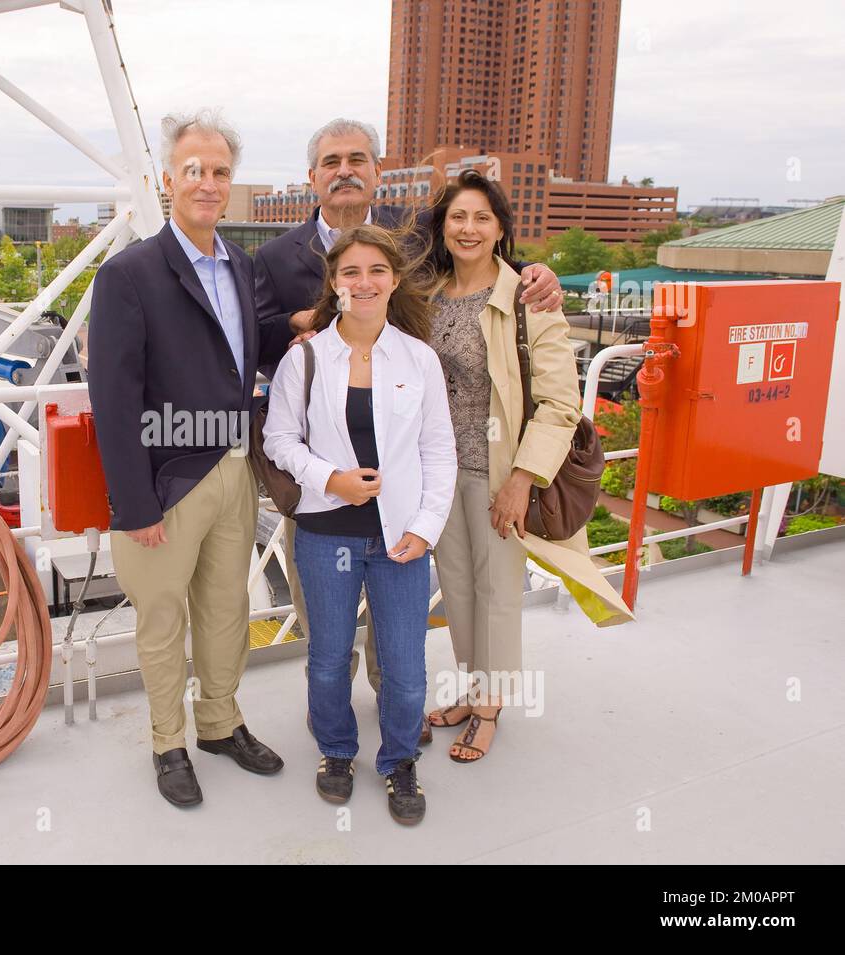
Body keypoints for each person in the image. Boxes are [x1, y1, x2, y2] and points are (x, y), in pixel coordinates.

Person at [254, 118, 562, 727]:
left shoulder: (419, 231)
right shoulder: (272, 256)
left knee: (422, 606)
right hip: (327, 473)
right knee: (330, 615)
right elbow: (261, 345)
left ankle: (403, 706)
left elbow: (483, 245)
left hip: (426, 460)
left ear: (377, 170)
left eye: (359, 159)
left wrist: (536, 273)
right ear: (313, 176)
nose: (346, 170)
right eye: (332, 161)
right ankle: (331, 709)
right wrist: (296, 329)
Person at [87, 110, 299, 808]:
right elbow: (114, 400)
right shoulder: (129, 275)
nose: (207, 183)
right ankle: (167, 740)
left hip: (235, 470)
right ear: (167, 180)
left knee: (224, 609)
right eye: (194, 171)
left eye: (219, 172)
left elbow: (243, 354)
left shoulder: (239, 264)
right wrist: (134, 503)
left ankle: (219, 721)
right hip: (167, 478)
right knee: (161, 618)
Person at [421, 170, 633, 763]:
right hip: (441, 469)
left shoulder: (527, 298)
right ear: (443, 225)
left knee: (497, 592)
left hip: (500, 472)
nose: (468, 228)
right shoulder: (429, 291)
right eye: (458, 217)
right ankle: (472, 688)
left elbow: (562, 401)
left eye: (481, 218)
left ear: (500, 229)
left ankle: (489, 708)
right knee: (458, 590)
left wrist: (522, 479)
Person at [263, 224, 456, 824]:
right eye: (351, 272)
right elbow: (279, 440)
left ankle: (399, 760)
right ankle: (337, 750)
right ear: (334, 283)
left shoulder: (419, 358)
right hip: (327, 533)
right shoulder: (308, 358)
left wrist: (425, 527)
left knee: (403, 662)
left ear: (394, 280)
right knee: (327, 657)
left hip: (400, 537)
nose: (364, 282)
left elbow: (438, 450)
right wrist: (330, 479)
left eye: (376, 271)